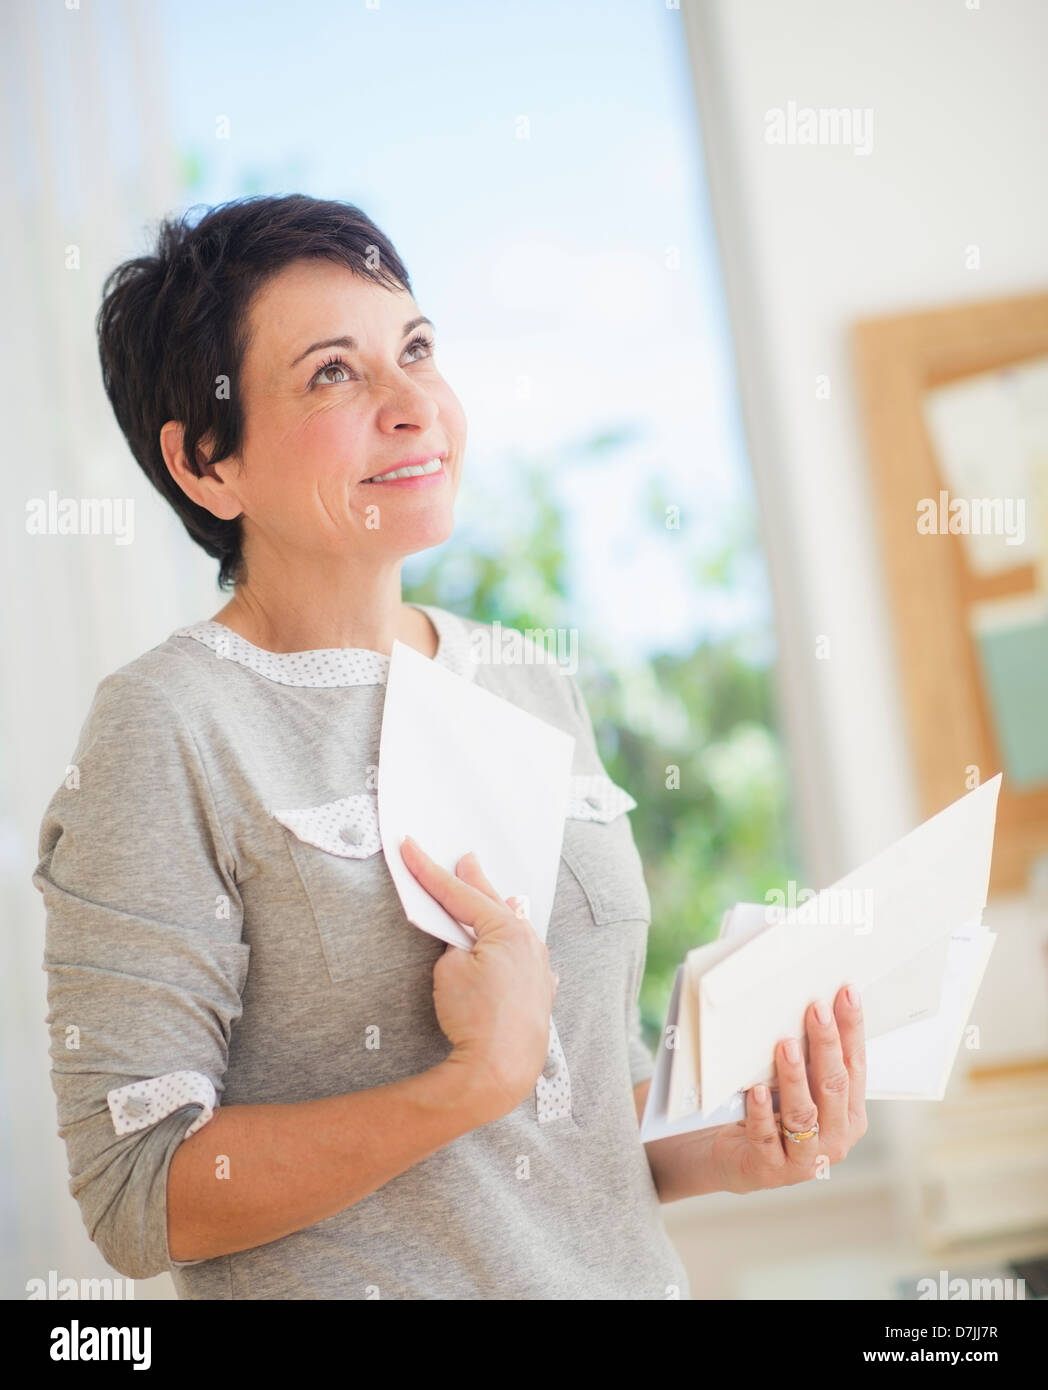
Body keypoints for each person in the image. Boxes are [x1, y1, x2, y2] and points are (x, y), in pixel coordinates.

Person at [34, 193, 867, 1300]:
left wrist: (725, 1143)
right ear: (206, 465)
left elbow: (571, 1100)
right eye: (334, 372)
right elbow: (139, 1193)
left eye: (416, 349)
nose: (410, 402)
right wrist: (466, 1084)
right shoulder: (169, 724)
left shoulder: (528, 678)